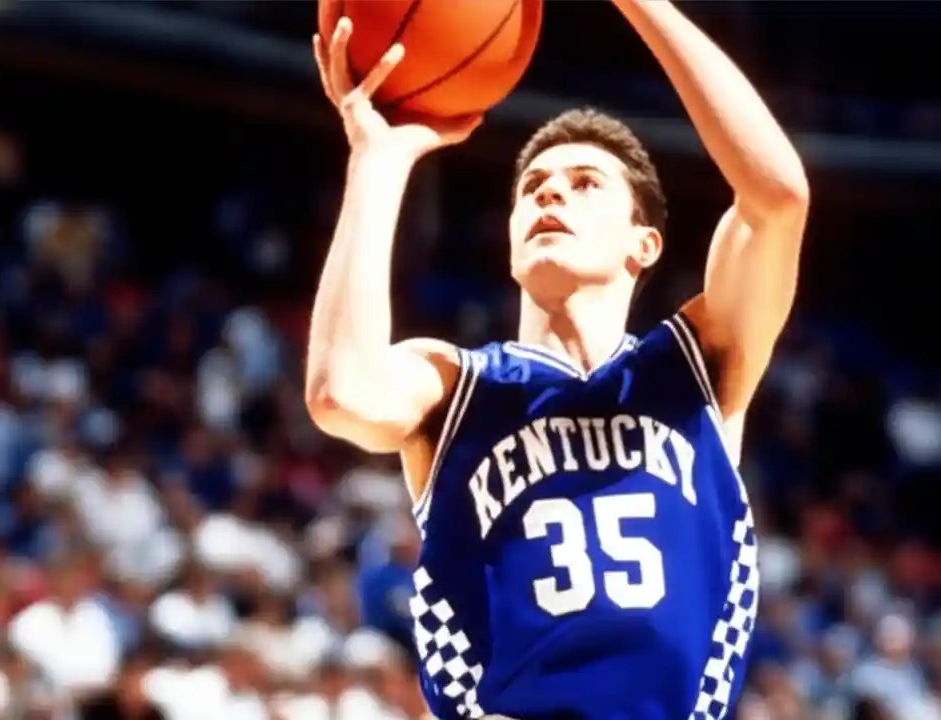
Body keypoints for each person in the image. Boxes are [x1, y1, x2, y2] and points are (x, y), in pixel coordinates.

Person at [305, 1, 809, 718]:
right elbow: (339, 391)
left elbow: (779, 197)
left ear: (644, 246)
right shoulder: (458, 386)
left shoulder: (694, 368)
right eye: (533, 187)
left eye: (585, 184)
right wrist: (379, 159)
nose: (550, 193)